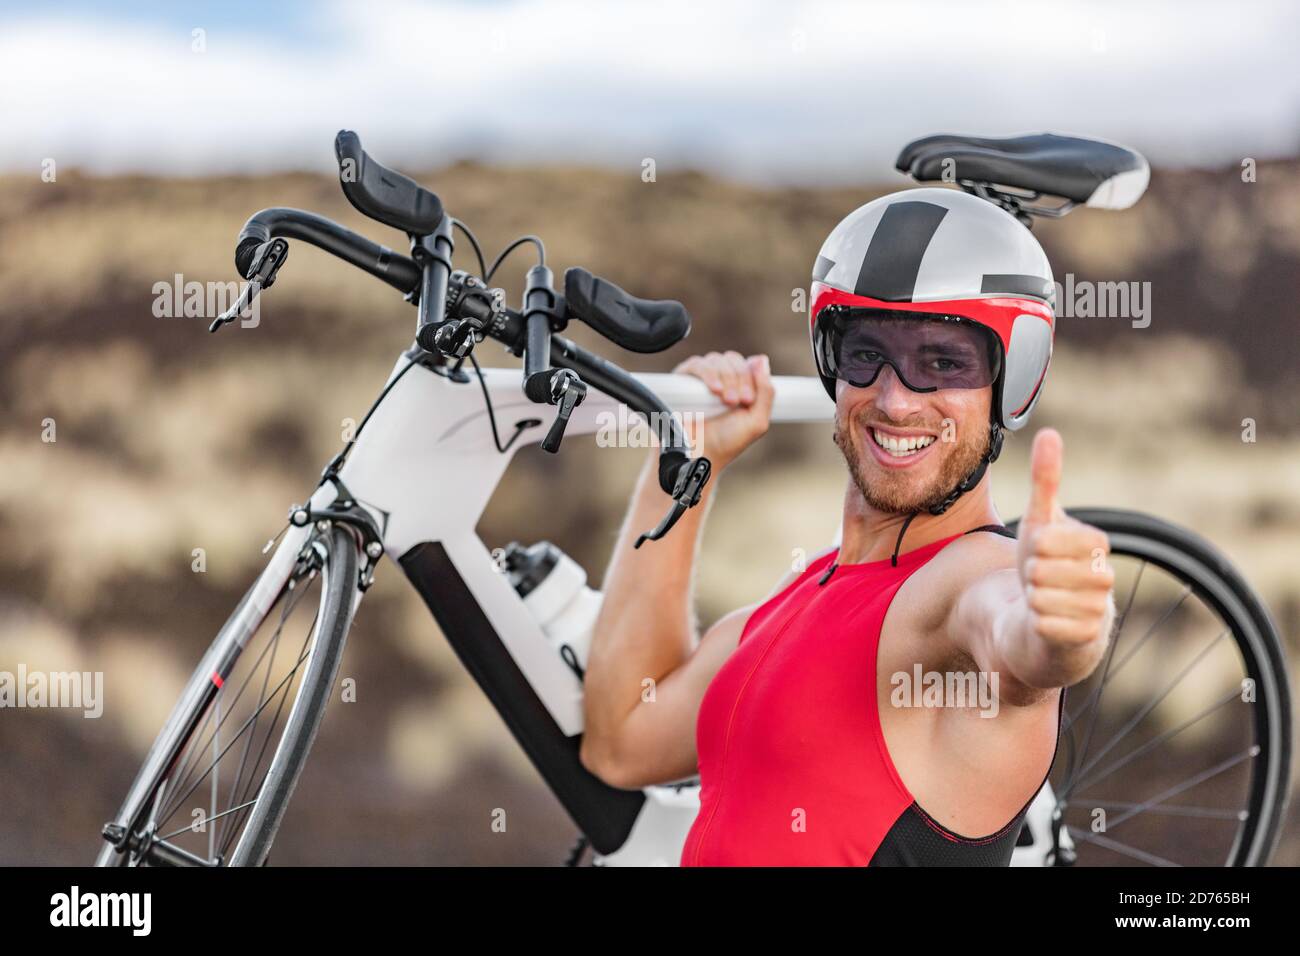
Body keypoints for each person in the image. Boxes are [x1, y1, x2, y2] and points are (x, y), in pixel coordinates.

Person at [579, 187, 1117, 865]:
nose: (894, 399)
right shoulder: (793, 599)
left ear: (1013, 381)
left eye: (943, 362)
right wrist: (686, 459)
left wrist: (1062, 625)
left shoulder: (964, 586)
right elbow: (621, 742)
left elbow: (1021, 652)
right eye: (867, 353)